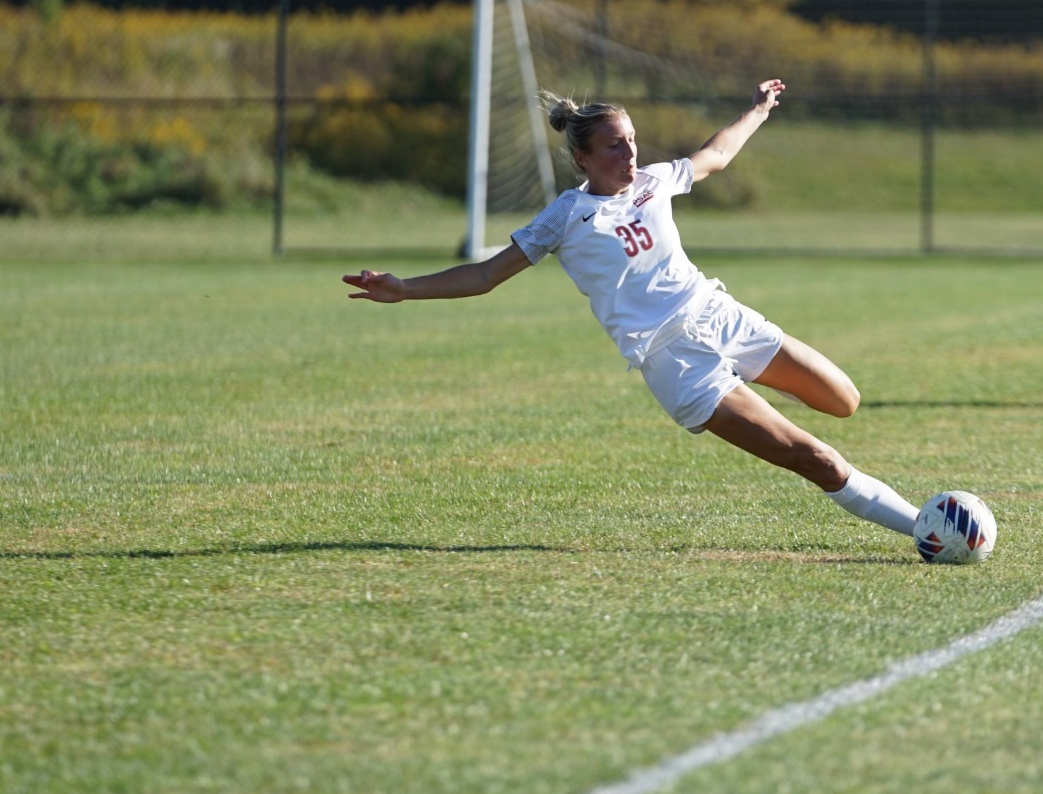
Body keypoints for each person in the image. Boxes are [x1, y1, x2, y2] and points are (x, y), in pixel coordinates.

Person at [343, 79, 922, 542]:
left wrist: (758, 110)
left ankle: (752, 389)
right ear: (582, 157)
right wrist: (405, 287)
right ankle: (927, 529)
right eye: (614, 145)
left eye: (631, 140)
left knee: (844, 400)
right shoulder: (564, 216)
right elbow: (485, 275)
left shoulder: (655, 181)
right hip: (676, 363)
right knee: (818, 459)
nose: (630, 153)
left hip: (720, 315)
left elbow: (717, 154)